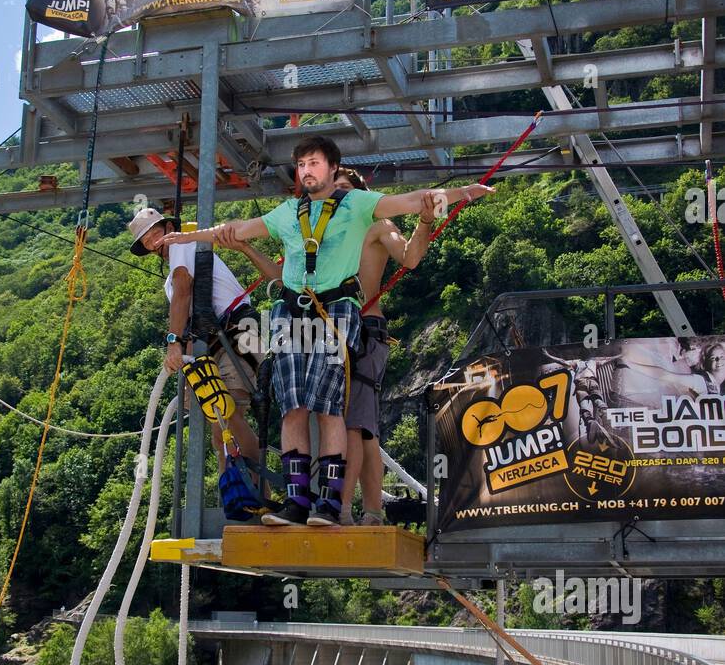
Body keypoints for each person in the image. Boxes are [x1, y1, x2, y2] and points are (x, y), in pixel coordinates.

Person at [161, 134, 492, 526]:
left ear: (333, 168)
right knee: (293, 407)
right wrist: (189, 237)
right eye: (301, 165)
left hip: (337, 311)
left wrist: (462, 193)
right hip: (290, 310)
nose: (306, 171)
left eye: (314, 163)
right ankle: (298, 503)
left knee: (332, 409)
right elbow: (239, 229)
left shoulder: (361, 207)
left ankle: (335, 506)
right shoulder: (290, 213)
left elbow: (413, 204)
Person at [127, 204, 263, 479]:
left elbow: (183, 290)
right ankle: (243, 502)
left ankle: (252, 499)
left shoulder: (182, 244)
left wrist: (173, 342)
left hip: (235, 331)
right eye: (147, 241)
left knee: (229, 415)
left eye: (154, 233)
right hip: (219, 338)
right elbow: (188, 307)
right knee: (221, 427)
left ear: (168, 228)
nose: (154, 242)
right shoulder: (178, 264)